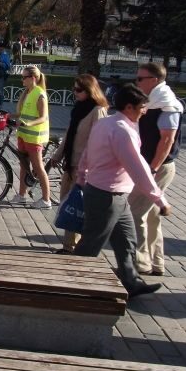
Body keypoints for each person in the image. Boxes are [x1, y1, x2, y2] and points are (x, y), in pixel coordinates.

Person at [74, 84, 170, 297]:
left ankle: (131, 281)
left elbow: (87, 153)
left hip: (114, 194)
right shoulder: (122, 131)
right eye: (142, 107)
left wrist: (82, 175)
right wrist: (159, 200)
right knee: (91, 243)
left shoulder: (106, 123)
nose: (145, 111)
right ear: (129, 107)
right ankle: (71, 283)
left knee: (127, 240)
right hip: (106, 196)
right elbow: (138, 168)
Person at [130, 62, 183, 276]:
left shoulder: (168, 104)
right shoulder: (153, 102)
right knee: (152, 216)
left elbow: (167, 140)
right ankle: (156, 263)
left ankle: (139, 265)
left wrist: (152, 169)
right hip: (150, 166)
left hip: (158, 168)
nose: (137, 82)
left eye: (140, 79)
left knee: (135, 213)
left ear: (154, 80)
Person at [49, 74, 108, 252]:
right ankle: (69, 244)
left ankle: (73, 245)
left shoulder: (98, 110)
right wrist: (57, 156)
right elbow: (69, 135)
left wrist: (90, 165)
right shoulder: (78, 108)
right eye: (74, 89)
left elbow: (100, 140)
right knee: (67, 203)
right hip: (70, 162)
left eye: (78, 90)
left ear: (90, 90)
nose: (75, 93)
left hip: (85, 166)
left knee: (78, 205)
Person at [9, 65, 51, 209]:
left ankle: (46, 200)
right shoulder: (27, 92)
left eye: (24, 77)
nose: (22, 80)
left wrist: (28, 123)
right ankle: (22, 195)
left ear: (32, 78)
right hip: (23, 135)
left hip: (34, 137)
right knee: (23, 166)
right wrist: (8, 115)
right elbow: (22, 114)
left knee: (38, 168)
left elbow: (43, 117)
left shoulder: (40, 94)